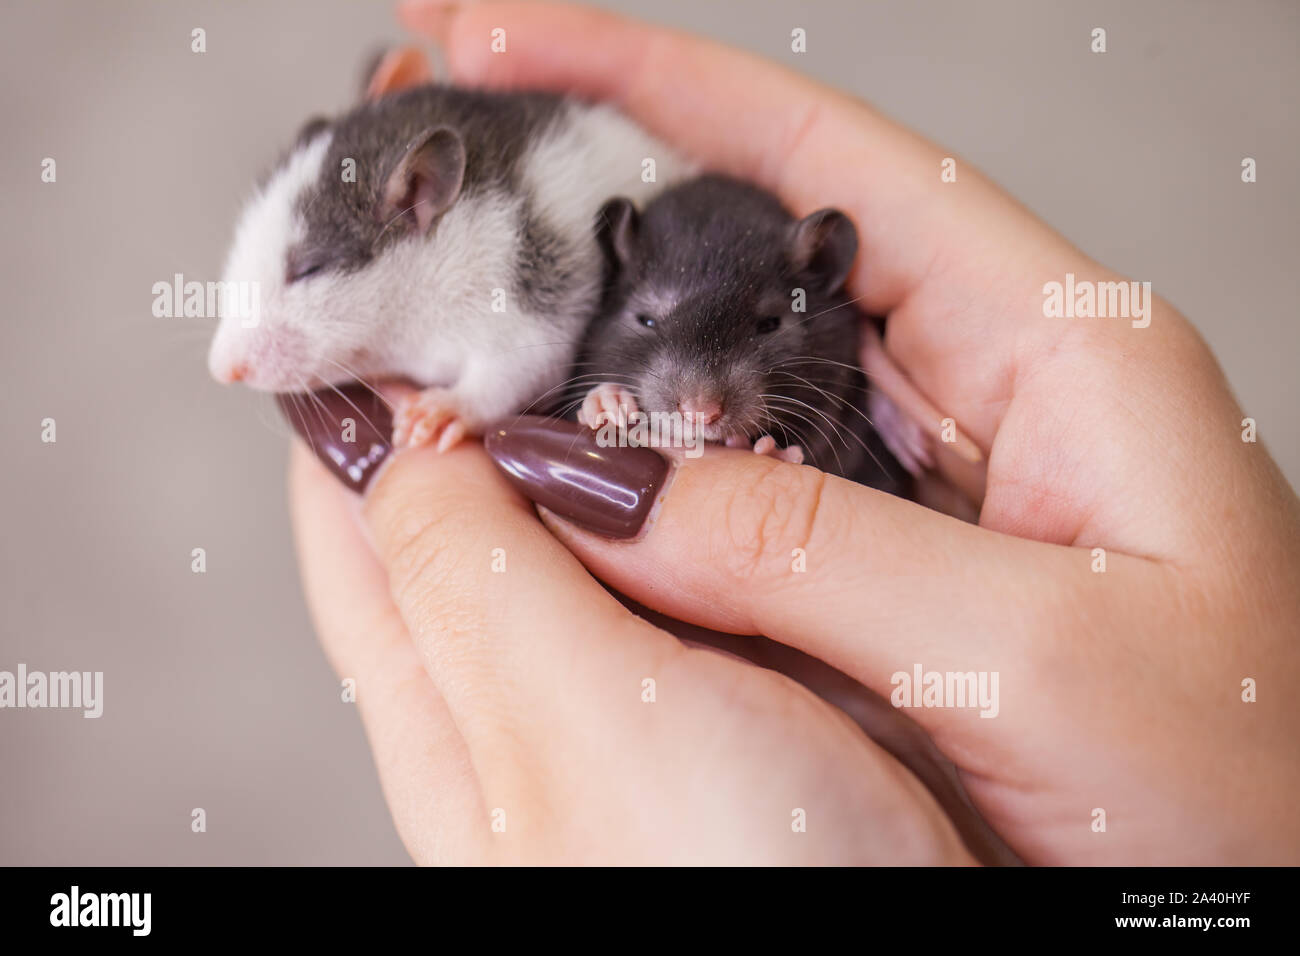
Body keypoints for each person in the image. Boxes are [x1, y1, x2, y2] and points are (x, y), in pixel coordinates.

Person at [285, 0, 1300, 864]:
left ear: (816, 279)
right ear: (620, 269)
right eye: (652, 326)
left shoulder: (837, 374)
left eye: (766, 327)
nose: (704, 400)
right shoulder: (595, 321)